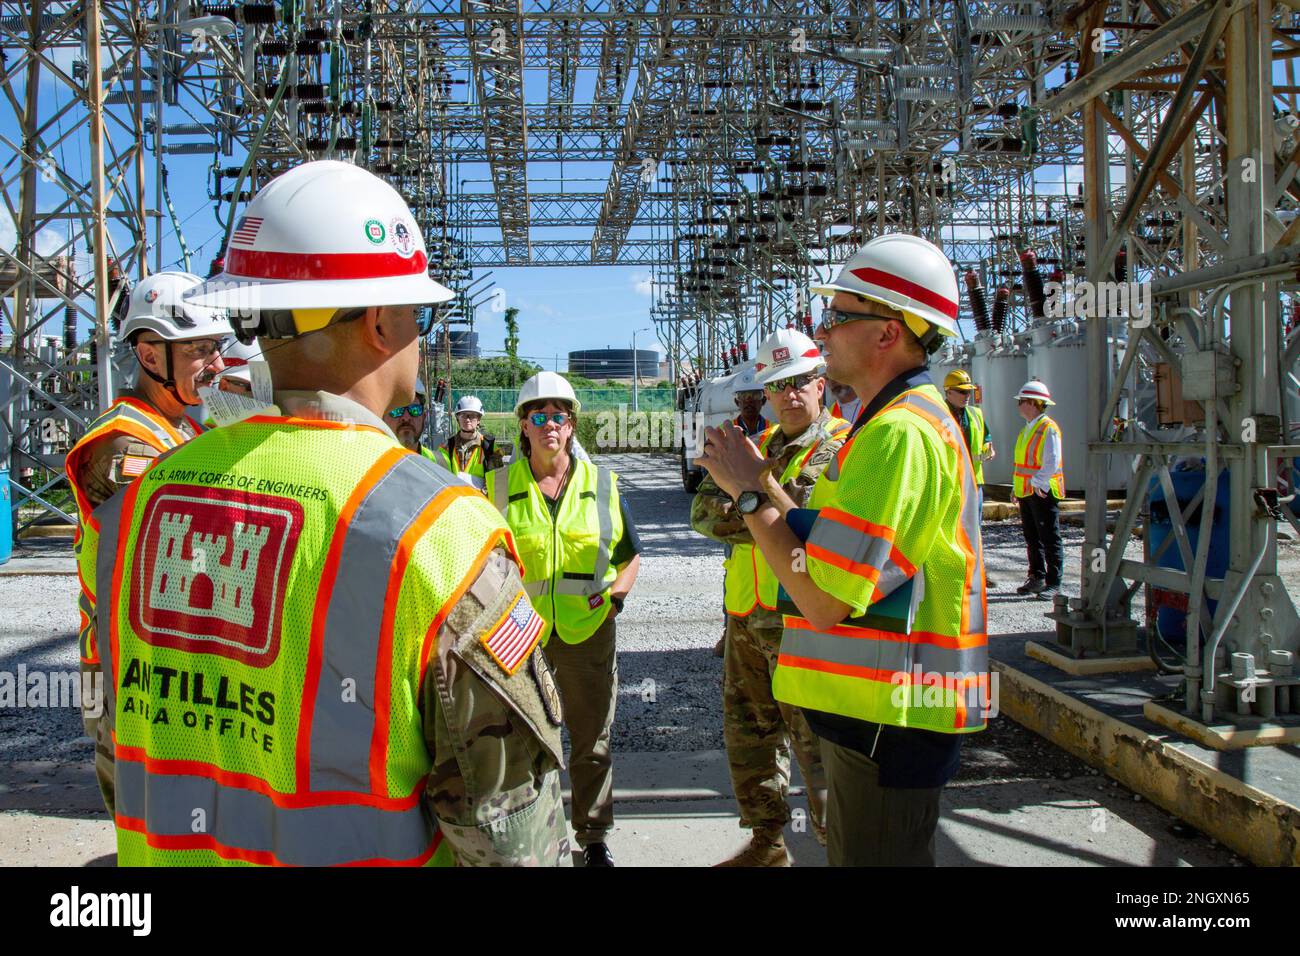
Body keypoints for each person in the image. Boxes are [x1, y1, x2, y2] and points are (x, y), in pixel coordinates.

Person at [83, 159, 566, 866]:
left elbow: (112, 748)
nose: (421, 335)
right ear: (379, 321)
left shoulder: (137, 509)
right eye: (417, 314)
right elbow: (510, 837)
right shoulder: (438, 531)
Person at [697, 233, 988, 867]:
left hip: (890, 714)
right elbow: (826, 548)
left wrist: (751, 495)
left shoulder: (899, 434)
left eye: (838, 318)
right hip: (880, 712)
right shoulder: (890, 424)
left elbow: (824, 597)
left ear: (888, 333)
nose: (821, 334)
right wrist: (766, 487)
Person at [66, 270, 229, 815]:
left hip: (162, 662)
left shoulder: (186, 431)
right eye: (201, 350)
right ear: (152, 356)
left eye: (217, 347)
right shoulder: (124, 442)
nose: (217, 364)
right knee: (145, 820)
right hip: (117, 668)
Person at [691, 328, 849, 866]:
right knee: (750, 742)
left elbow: (813, 527)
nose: (788, 395)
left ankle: (836, 848)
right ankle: (767, 844)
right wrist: (760, 508)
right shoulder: (757, 445)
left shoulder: (840, 446)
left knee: (818, 751)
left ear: (821, 384)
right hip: (747, 617)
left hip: (804, 622)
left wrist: (747, 497)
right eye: (777, 385)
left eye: (800, 382)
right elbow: (704, 514)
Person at [485, 371, 642, 867]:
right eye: (539, 415)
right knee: (523, 740)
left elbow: (630, 554)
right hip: (518, 638)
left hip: (587, 634)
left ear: (571, 425)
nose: (550, 424)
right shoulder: (496, 487)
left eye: (559, 415)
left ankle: (593, 839)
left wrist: (613, 601)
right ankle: (534, 834)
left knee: (591, 740)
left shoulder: (604, 485)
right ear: (523, 426)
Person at [944, 369, 997, 588]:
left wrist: (988, 447)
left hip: (973, 481)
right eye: (961, 391)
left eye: (969, 391)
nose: (967, 395)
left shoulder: (975, 414)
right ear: (948, 392)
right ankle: (952, 572)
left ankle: (976, 573)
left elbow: (986, 436)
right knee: (949, 528)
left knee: (974, 529)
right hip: (949, 480)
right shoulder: (939, 414)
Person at [1012, 379, 1065, 599]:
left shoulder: (1047, 428)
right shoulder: (1028, 429)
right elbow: (1021, 463)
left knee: (1049, 537)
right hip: (1027, 491)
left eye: (1022, 401)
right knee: (1032, 537)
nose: (1019, 405)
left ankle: (1053, 583)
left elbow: (1052, 460)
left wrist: (1038, 483)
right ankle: (1037, 577)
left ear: (1033, 403)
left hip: (1042, 491)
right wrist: (1016, 488)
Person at [437, 395, 503, 488]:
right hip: (456, 499)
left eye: (472, 416)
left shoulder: (489, 447)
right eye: (463, 415)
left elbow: (498, 482)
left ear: (479, 419)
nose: (468, 419)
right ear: (457, 418)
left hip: (480, 500)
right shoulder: (447, 446)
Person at [389, 378, 436, 457]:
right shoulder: (369, 465)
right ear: (383, 417)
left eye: (415, 410)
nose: (406, 417)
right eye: (397, 410)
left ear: (424, 418)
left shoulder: (440, 464)